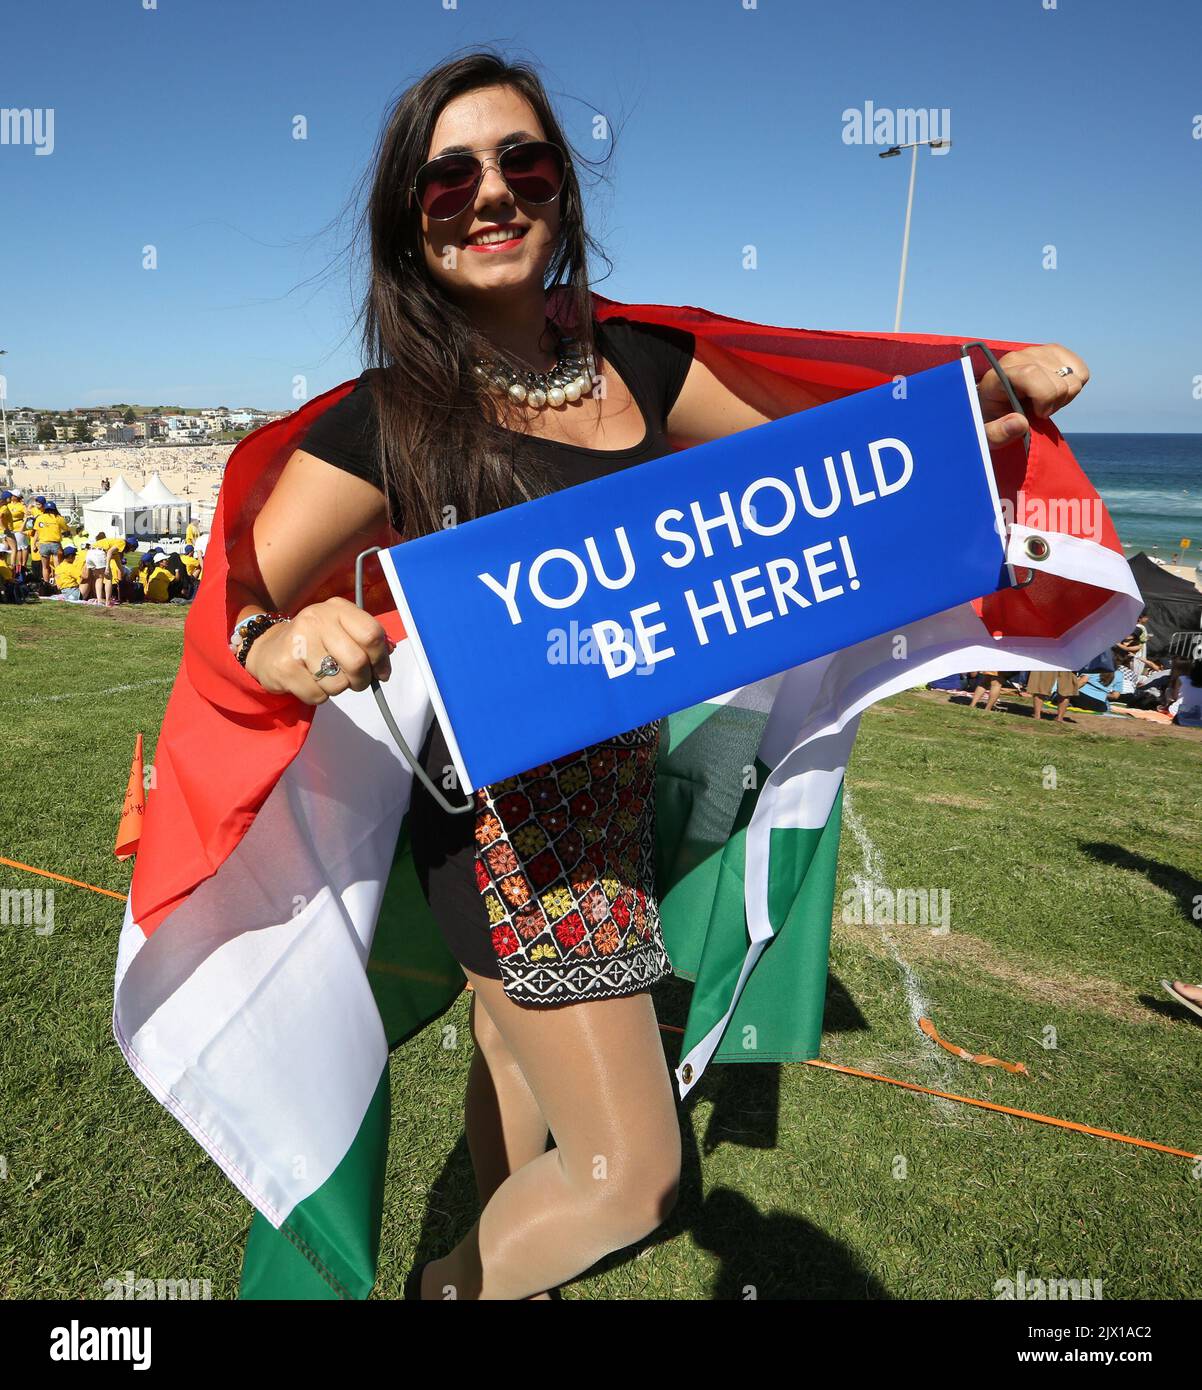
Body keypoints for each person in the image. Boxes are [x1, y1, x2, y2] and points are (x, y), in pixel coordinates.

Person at [222, 51, 1092, 1302]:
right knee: (632, 1177)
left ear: (561, 190)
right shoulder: (386, 417)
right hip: (501, 827)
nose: (489, 194)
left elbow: (818, 481)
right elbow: (236, 593)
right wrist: (284, 643)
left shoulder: (635, 367)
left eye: (520, 162)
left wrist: (988, 397)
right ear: (408, 226)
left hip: (611, 798)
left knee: (515, 1066)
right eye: (445, 178)